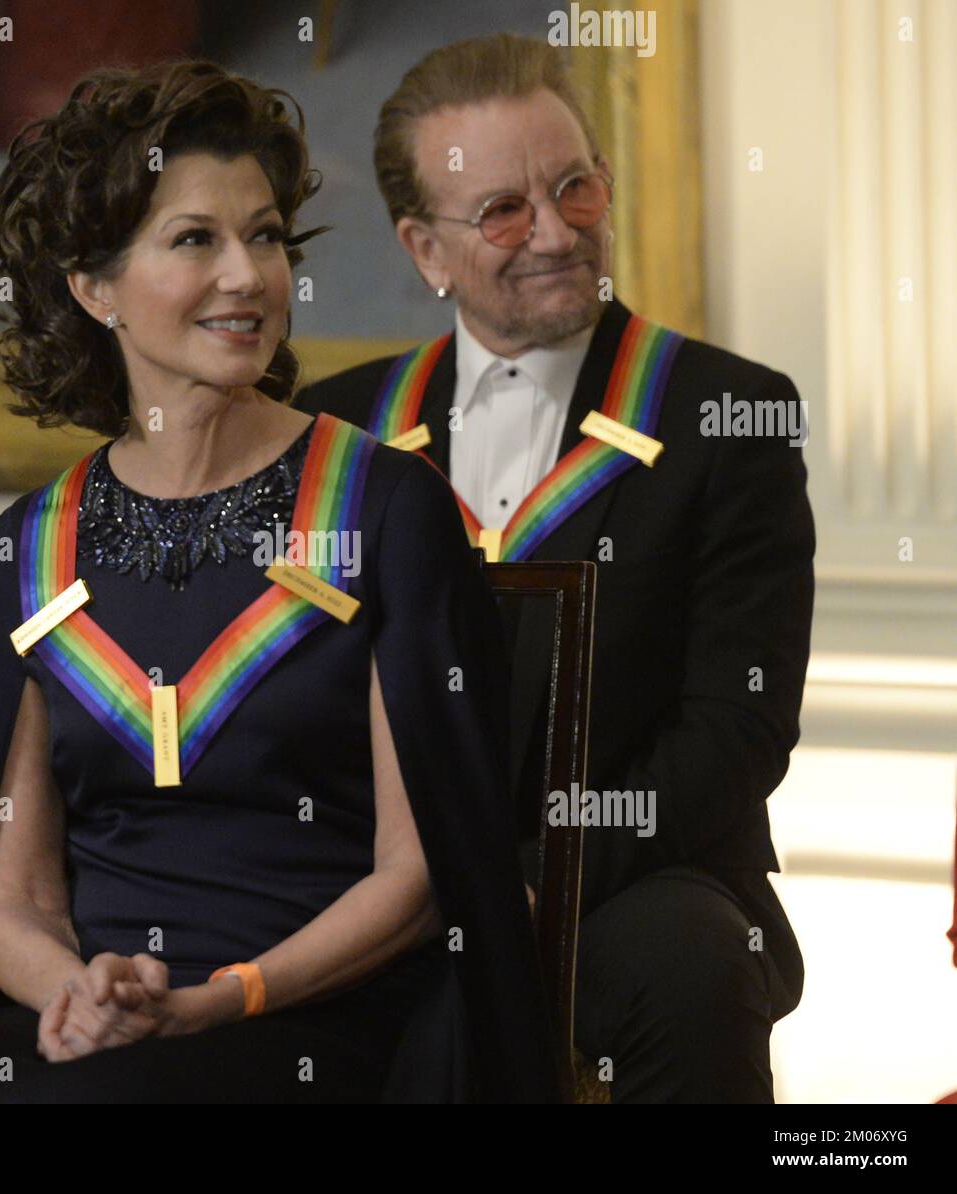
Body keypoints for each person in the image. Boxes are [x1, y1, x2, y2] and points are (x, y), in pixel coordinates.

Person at [0, 58, 558, 1104]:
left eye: (264, 236)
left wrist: (220, 999)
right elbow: (10, 901)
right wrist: (83, 996)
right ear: (92, 284)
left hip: (322, 1020)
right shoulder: (27, 554)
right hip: (108, 1021)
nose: (248, 277)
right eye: (195, 240)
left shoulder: (384, 511)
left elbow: (418, 875)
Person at [295, 33, 815, 1103]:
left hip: (632, 882)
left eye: (573, 188)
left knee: (690, 970)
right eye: (501, 211)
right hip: (390, 878)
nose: (554, 233)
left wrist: (534, 880)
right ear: (423, 248)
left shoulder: (731, 414)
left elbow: (735, 729)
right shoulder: (335, 434)